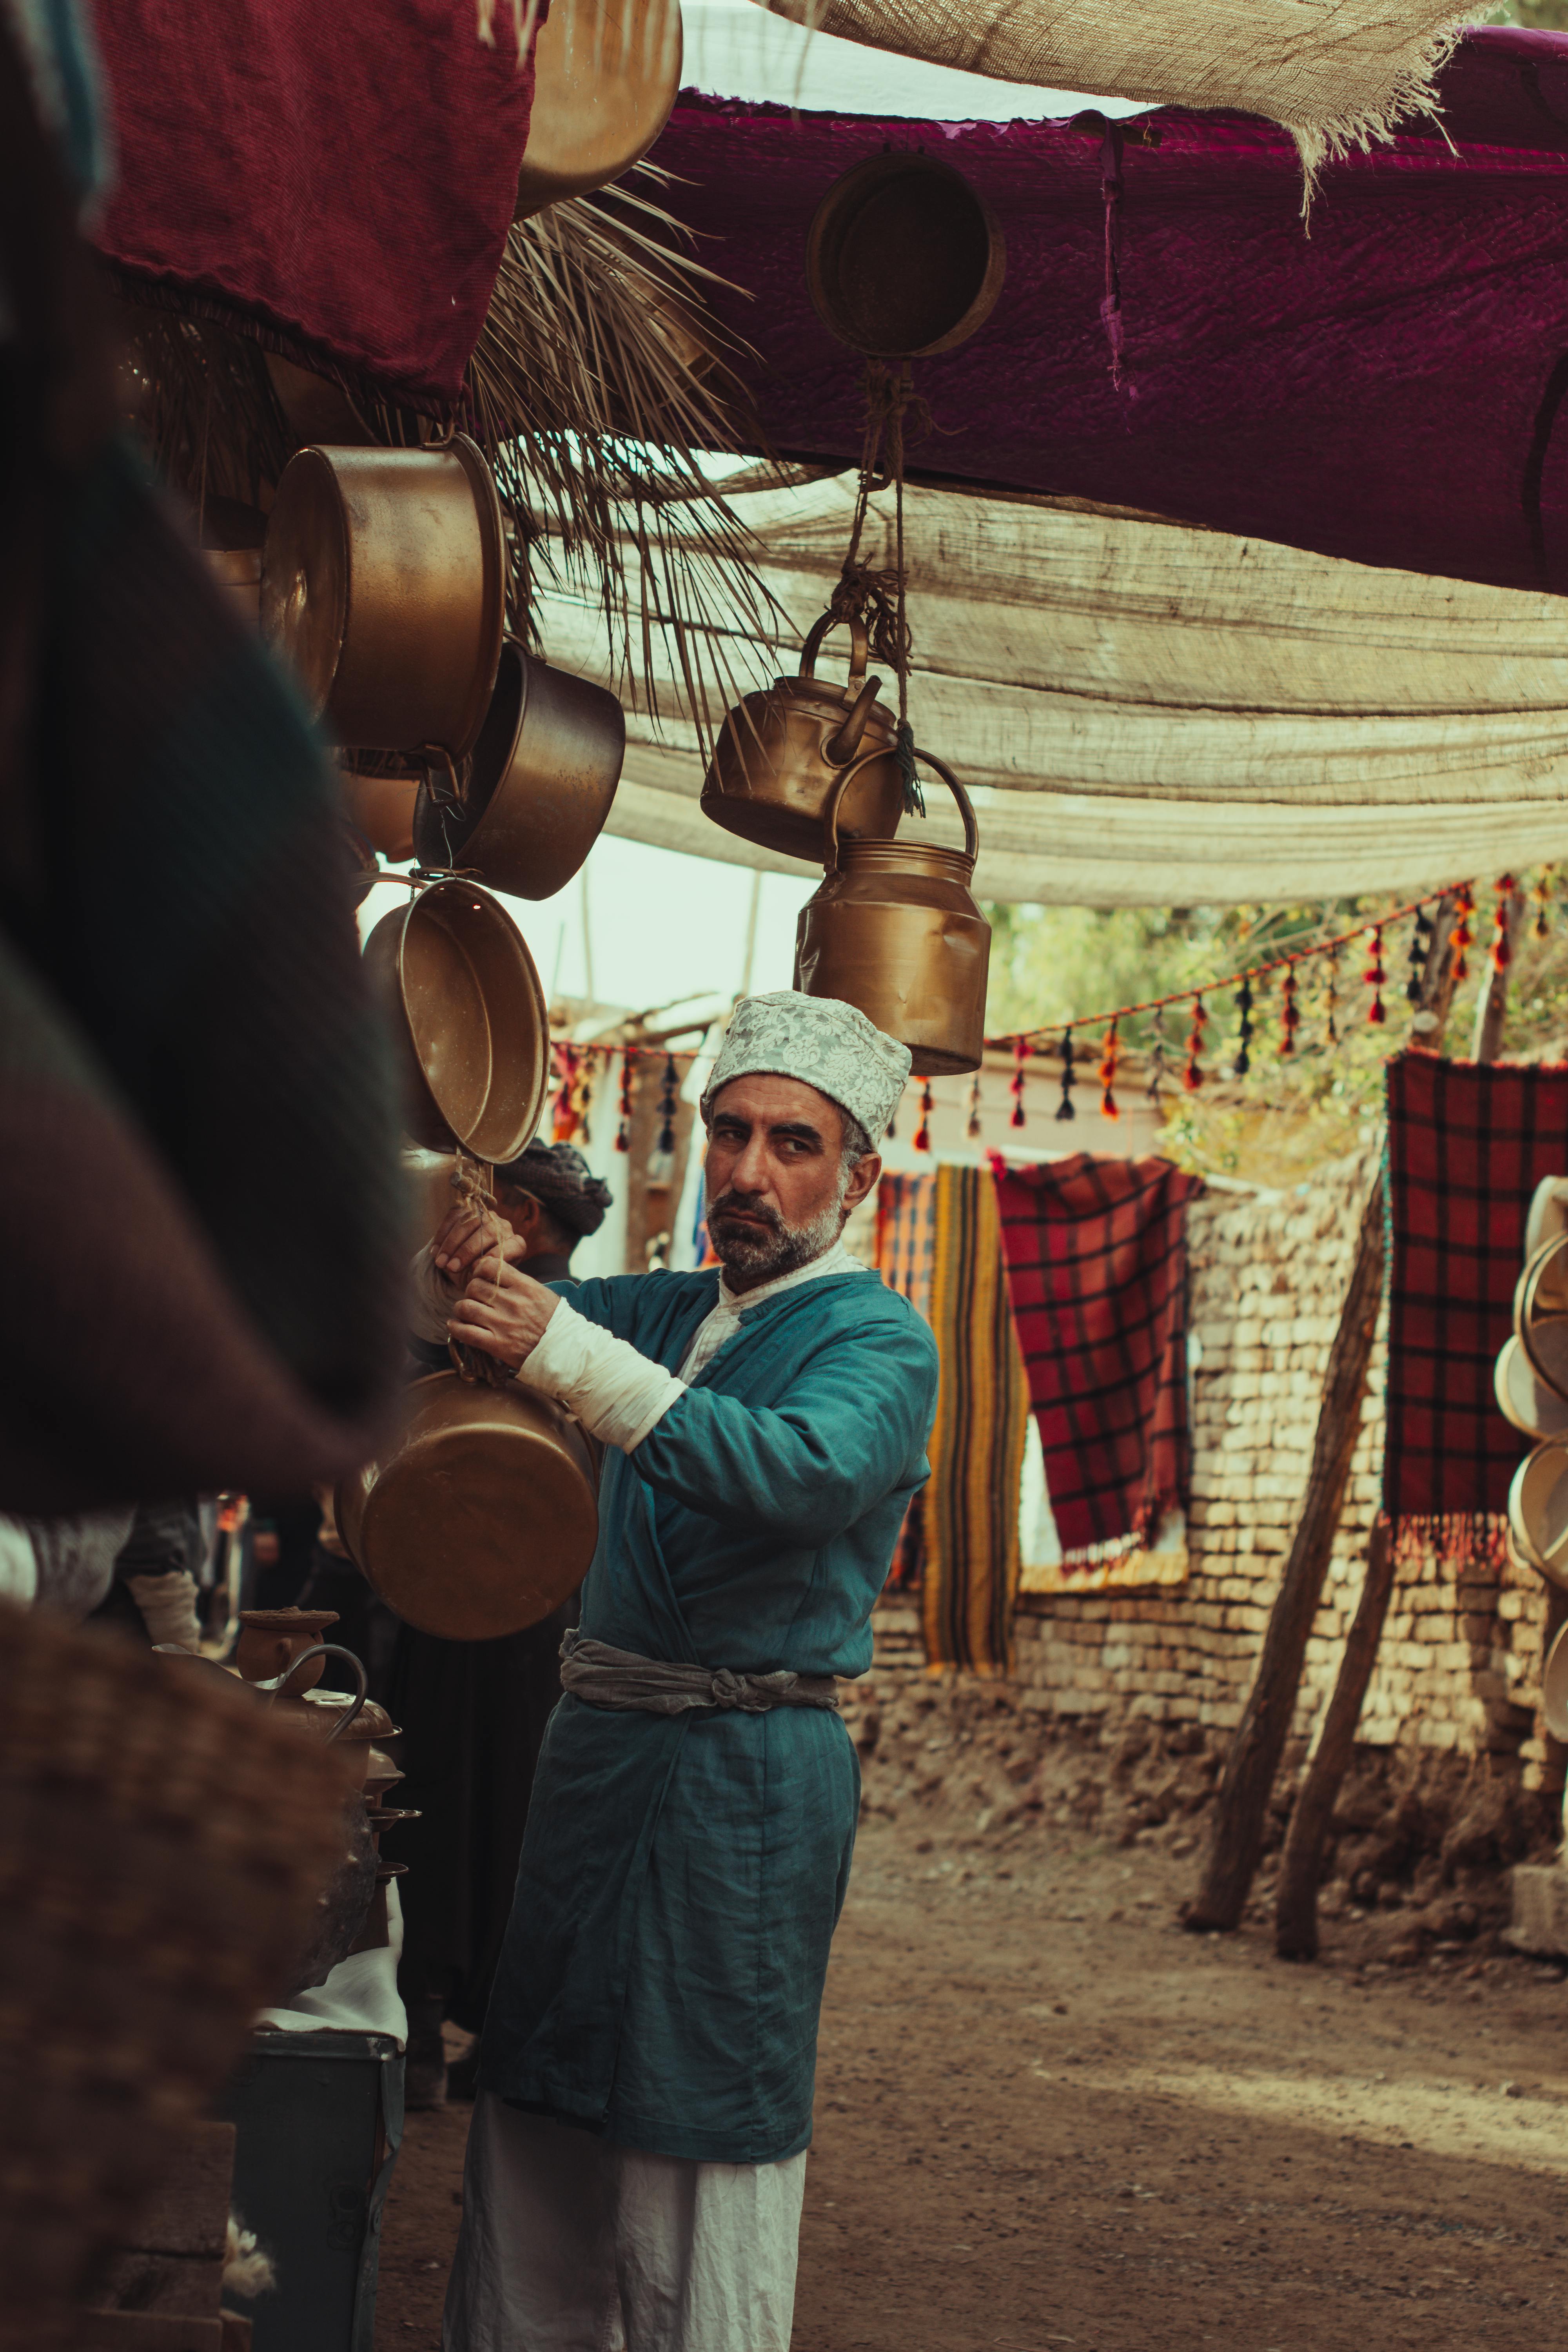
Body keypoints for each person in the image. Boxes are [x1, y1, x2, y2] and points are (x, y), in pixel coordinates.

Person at [426, 993, 939, 2352]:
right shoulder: (665, 1308)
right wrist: (458, 1258)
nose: (749, 1172)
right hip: (596, 1757)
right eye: (730, 1133)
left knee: (700, 2137)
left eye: (793, 1143)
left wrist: (564, 1351)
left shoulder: (880, 1342)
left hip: (746, 1786)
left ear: (859, 1176)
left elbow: (802, 1473)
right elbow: (501, 1324)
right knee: (537, 2111)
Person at [392, 1140, 615, 2107]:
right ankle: (496, 2033)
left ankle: (418, 2025)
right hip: (552, 1608)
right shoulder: (597, 1323)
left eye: (489, 1200)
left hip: (453, 1591)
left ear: (522, 1218)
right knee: (527, 1814)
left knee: (433, 1800)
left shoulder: (515, 1309)